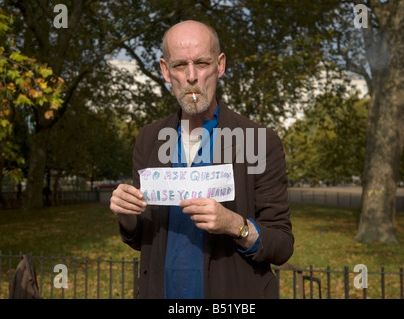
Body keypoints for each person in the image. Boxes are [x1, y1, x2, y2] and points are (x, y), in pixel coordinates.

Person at [110, 20, 294, 299]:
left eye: (202, 63)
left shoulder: (260, 141)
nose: (192, 76)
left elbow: (281, 246)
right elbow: (145, 240)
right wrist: (127, 217)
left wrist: (235, 225)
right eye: (180, 65)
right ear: (165, 71)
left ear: (220, 66)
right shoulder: (149, 139)